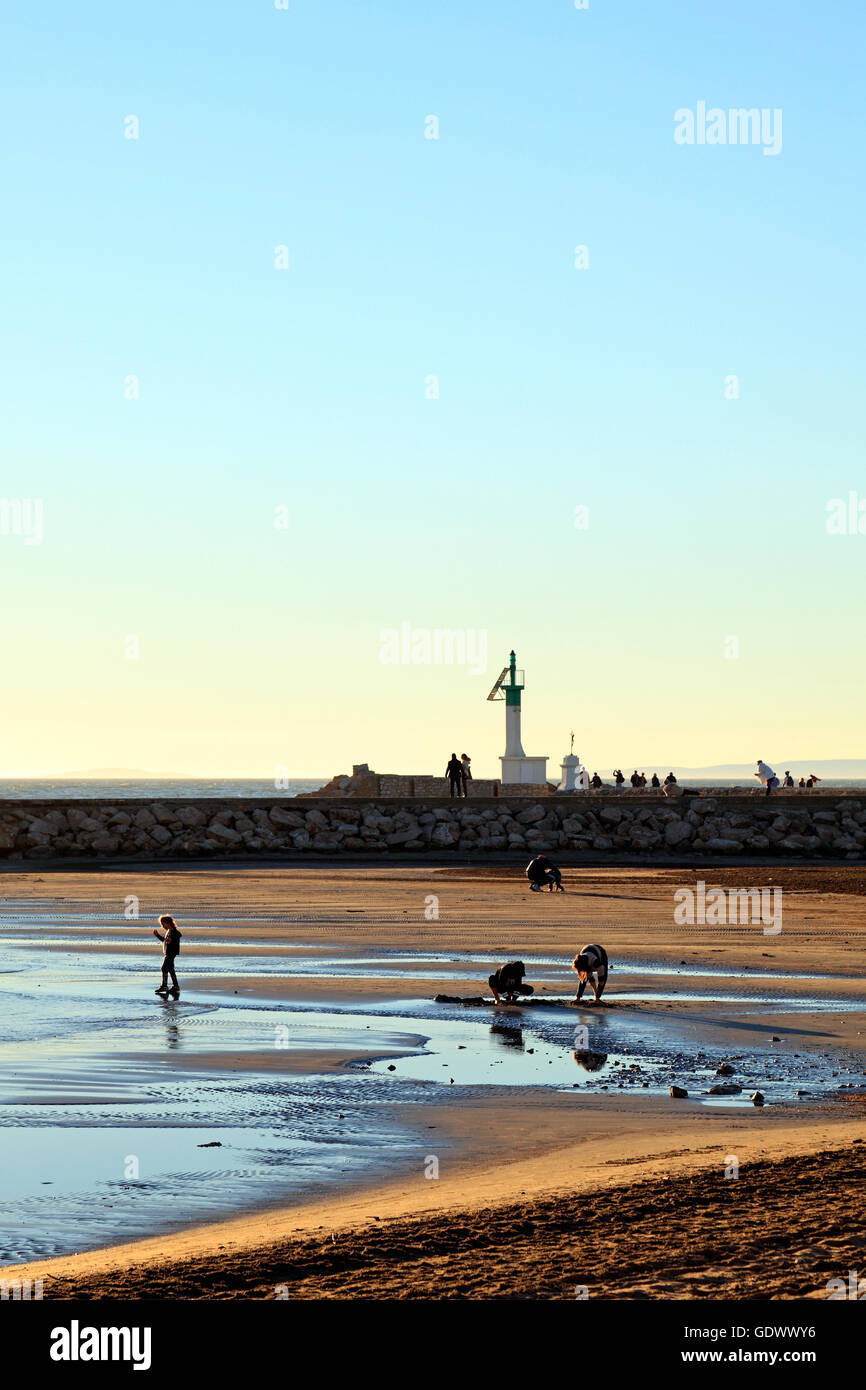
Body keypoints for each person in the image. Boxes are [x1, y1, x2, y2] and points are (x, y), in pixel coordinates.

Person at [153, 913, 183, 998]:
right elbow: (165, 940)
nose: (162, 926)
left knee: (164, 968)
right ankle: (175, 986)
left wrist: (171, 940)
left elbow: (179, 935)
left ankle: (164, 986)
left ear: (168, 923)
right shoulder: (169, 931)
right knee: (170, 969)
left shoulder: (173, 931)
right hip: (169, 952)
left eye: (163, 924)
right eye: (161, 924)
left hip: (171, 953)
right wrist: (158, 935)